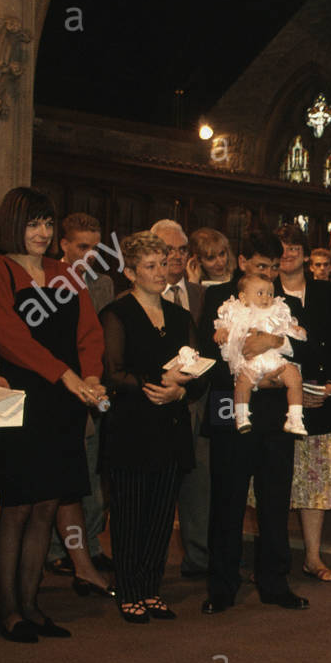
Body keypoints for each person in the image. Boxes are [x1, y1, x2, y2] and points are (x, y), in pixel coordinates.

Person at [0, 187, 107, 642]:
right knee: (17, 507)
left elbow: (89, 332)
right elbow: (7, 337)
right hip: (23, 400)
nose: (41, 233)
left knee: (46, 507)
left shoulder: (64, 272)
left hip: (66, 401)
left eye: (46, 224)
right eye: (32, 224)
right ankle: (9, 611)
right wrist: (66, 375)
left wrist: (92, 377)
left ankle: (33, 606)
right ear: (12, 226)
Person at [196, 230, 307, 614]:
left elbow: (303, 347)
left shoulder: (283, 303)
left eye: (275, 268)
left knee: (275, 499)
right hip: (231, 405)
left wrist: (273, 344)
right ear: (242, 262)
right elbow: (209, 356)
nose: (270, 276)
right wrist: (248, 357)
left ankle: (275, 580)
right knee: (227, 498)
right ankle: (222, 584)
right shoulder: (218, 299)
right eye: (262, 267)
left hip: (276, 409)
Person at [99, 232, 204, 622]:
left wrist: (179, 394)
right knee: (129, 513)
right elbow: (112, 373)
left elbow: (199, 370)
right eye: (151, 266)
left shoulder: (179, 316)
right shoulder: (116, 314)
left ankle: (150, 587)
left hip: (170, 425)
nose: (161, 272)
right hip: (131, 427)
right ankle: (128, 590)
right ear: (130, 272)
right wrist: (158, 385)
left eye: (164, 264)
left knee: (162, 513)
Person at [46, 211, 119, 587]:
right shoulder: (46, 278)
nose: (90, 254)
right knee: (61, 474)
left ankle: (89, 545)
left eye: (96, 246)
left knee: (91, 471)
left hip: (94, 387)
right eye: (82, 246)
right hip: (56, 385)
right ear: (64, 244)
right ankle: (58, 551)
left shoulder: (103, 283)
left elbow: (100, 338)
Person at [274, 223, 331, 582]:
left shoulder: (330, 294)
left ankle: (313, 557)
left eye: (294, 248)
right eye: (281, 249)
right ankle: (272, 557)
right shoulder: (265, 295)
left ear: (306, 254)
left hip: (324, 399)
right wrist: (291, 391)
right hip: (279, 402)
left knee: (314, 484)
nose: (288, 254)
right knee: (277, 481)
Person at [151, 218, 210, 578]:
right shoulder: (136, 299)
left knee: (199, 487)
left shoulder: (203, 294)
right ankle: (148, 563)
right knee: (156, 487)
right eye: (167, 249)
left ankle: (200, 558)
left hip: (197, 404)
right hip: (155, 403)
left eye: (181, 250)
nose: (175, 256)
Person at [212, 274, 308, 436]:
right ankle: (241, 417)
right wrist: (221, 331)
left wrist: (298, 330)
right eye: (260, 293)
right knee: (242, 383)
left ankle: (295, 418)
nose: (266, 298)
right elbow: (224, 325)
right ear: (243, 297)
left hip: (274, 359)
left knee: (295, 378)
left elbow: (289, 328)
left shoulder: (278, 312)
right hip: (250, 361)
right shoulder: (237, 312)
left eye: (270, 294)